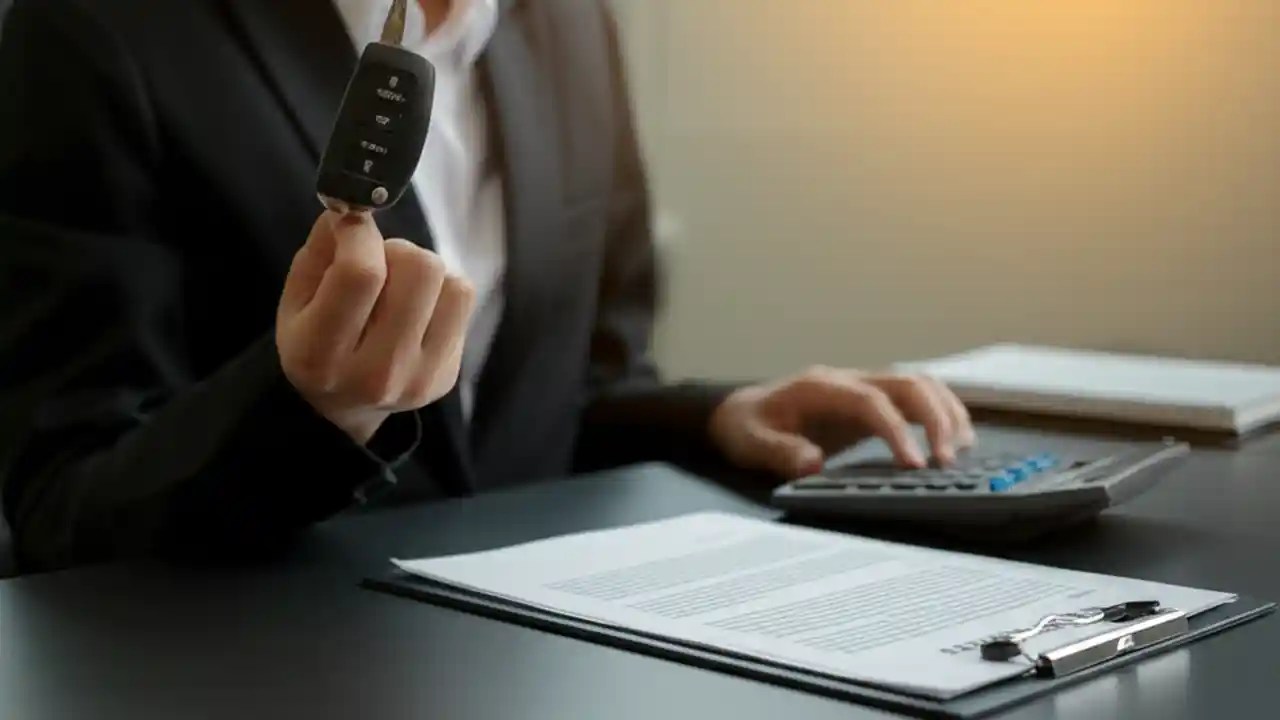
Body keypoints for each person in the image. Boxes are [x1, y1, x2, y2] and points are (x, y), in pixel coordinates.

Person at [0, 0, 974, 573]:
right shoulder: (98, 28)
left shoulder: (568, 22)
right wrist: (309, 410)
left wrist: (717, 417)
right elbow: (61, 507)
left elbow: (563, 393)